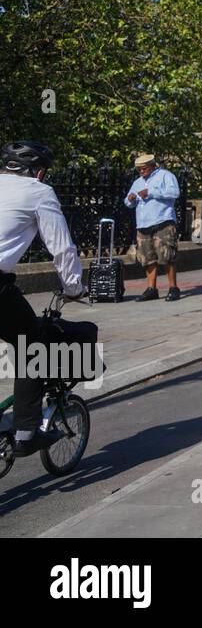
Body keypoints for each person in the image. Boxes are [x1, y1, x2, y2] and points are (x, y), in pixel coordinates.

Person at [0, 141, 85, 456]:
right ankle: (25, 432)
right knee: (31, 344)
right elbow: (61, 247)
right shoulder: (39, 192)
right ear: (37, 171)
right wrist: (74, 287)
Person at [124, 153, 182, 301]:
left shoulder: (165, 175)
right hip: (143, 224)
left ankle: (173, 287)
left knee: (167, 255)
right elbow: (128, 202)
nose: (141, 172)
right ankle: (151, 289)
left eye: (143, 169)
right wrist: (130, 199)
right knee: (147, 258)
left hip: (162, 220)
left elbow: (174, 193)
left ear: (152, 165)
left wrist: (151, 192)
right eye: (139, 170)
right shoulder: (137, 182)